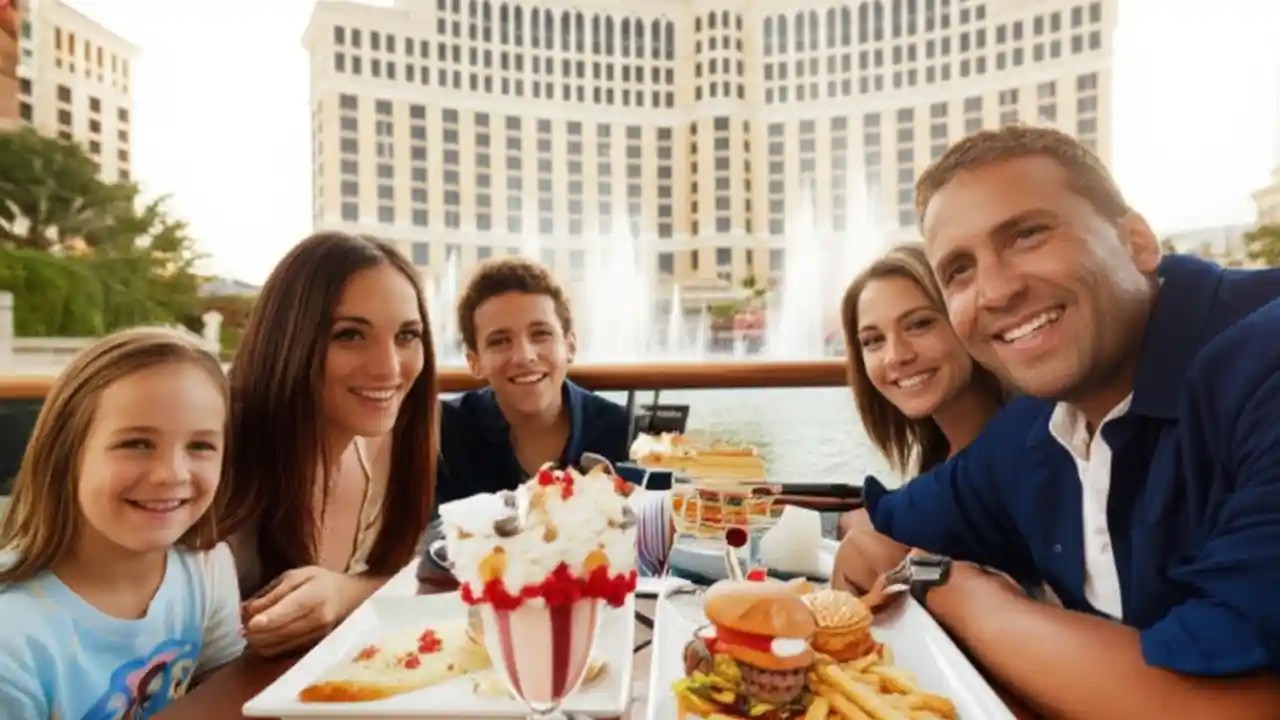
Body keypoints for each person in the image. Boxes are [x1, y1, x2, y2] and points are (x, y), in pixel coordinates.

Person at [834, 125, 1280, 718]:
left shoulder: (1262, 363)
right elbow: (881, 529)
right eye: (959, 271)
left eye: (1027, 235)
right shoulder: (1035, 426)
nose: (995, 291)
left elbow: (1232, 707)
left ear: (1136, 241)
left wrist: (953, 591)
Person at [0, 327, 243, 718]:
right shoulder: (12, 638)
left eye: (200, 445)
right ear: (66, 454)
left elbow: (227, 691)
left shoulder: (206, 568)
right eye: (136, 444)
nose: (172, 474)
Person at [220, 232, 437, 658]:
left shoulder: (384, 444)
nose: (389, 367)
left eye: (407, 335)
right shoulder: (217, 462)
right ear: (290, 339)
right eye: (350, 335)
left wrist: (343, 594)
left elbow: (410, 578)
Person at [834, 243, 1005, 553]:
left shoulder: (1022, 447)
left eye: (919, 324)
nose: (895, 356)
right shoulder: (941, 455)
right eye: (873, 341)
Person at [436, 256, 630, 505]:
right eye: (499, 341)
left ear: (570, 346)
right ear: (475, 362)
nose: (524, 356)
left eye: (540, 334)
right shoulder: (444, 434)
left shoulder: (619, 432)